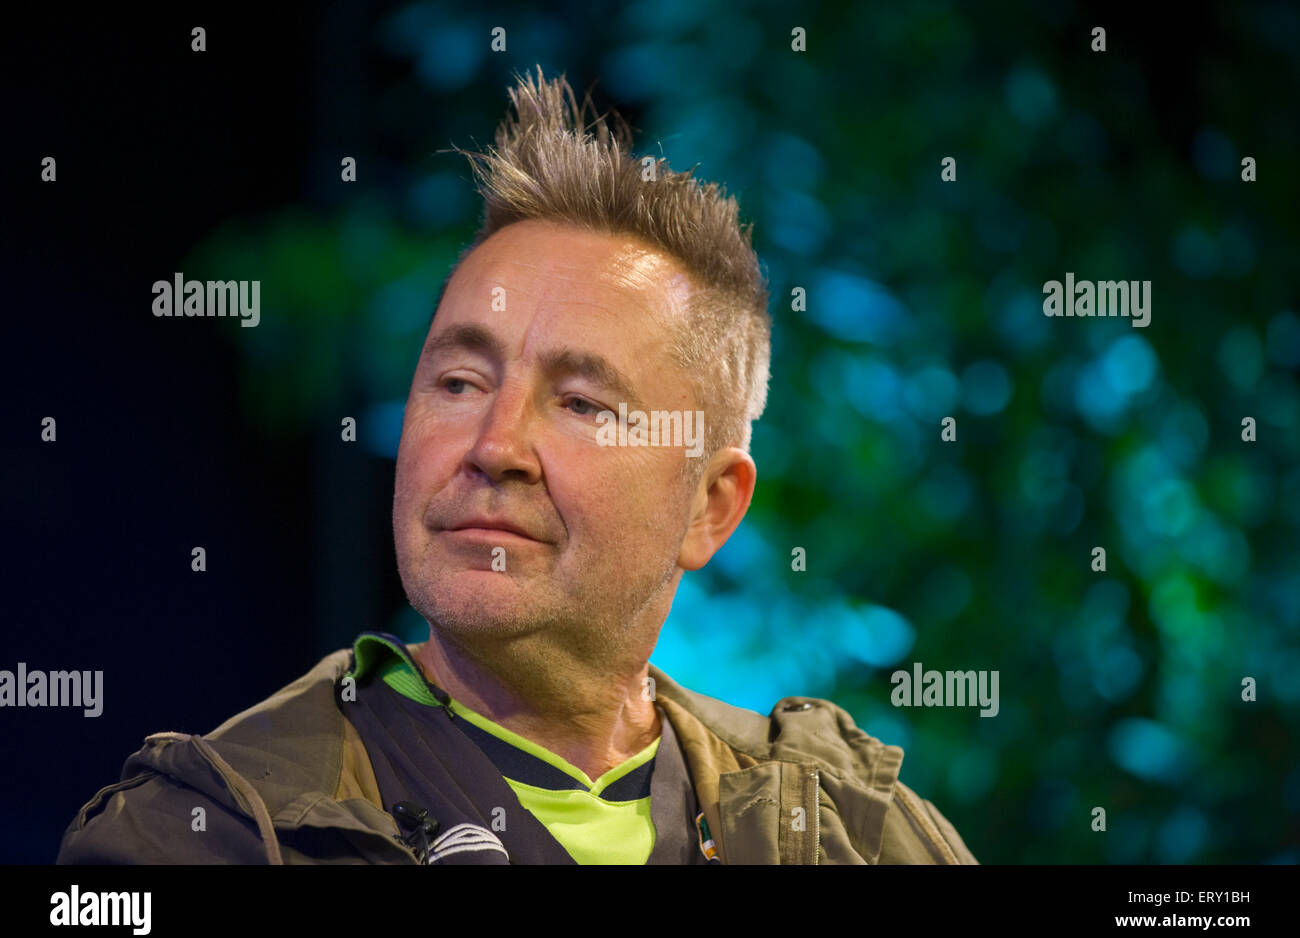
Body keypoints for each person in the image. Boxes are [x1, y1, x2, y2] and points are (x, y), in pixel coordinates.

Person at [57, 66, 977, 865]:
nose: (493, 447)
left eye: (581, 404)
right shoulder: (204, 829)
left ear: (711, 505)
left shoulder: (853, 828)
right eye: (458, 382)